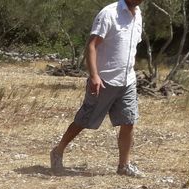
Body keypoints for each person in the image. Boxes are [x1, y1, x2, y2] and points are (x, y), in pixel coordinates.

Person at [51, 0, 145, 176]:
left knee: (129, 121)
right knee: (84, 121)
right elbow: (92, 45)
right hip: (104, 80)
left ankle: (123, 166)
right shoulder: (109, 13)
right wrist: (94, 75)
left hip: (127, 81)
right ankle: (58, 150)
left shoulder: (138, 15)